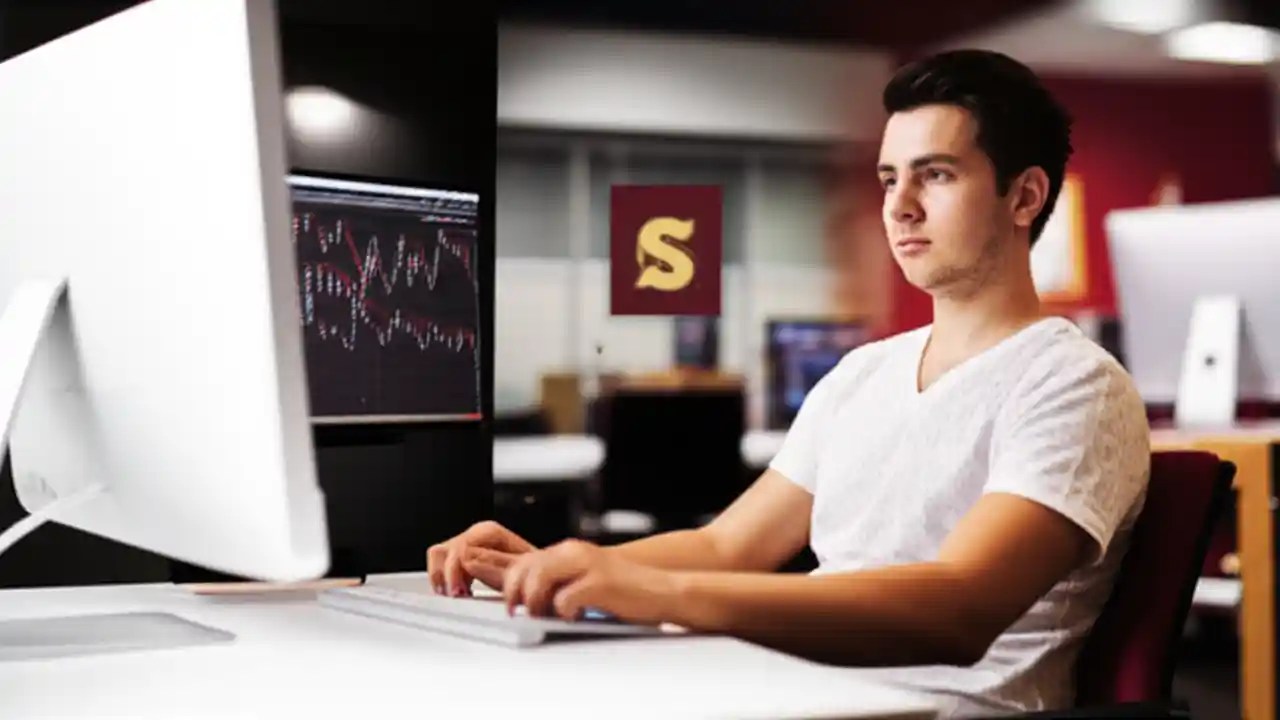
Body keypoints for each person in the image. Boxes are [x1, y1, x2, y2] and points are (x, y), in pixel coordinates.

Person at [427, 49, 1150, 719]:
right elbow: (727, 549)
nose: (900, 207)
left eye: (936, 174)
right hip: (800, 693)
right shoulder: (862, 373)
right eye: (889, 178)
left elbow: (959, 609)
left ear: (1024, 197)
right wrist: (554, 568)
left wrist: (659, 594)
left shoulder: (1075, 384)